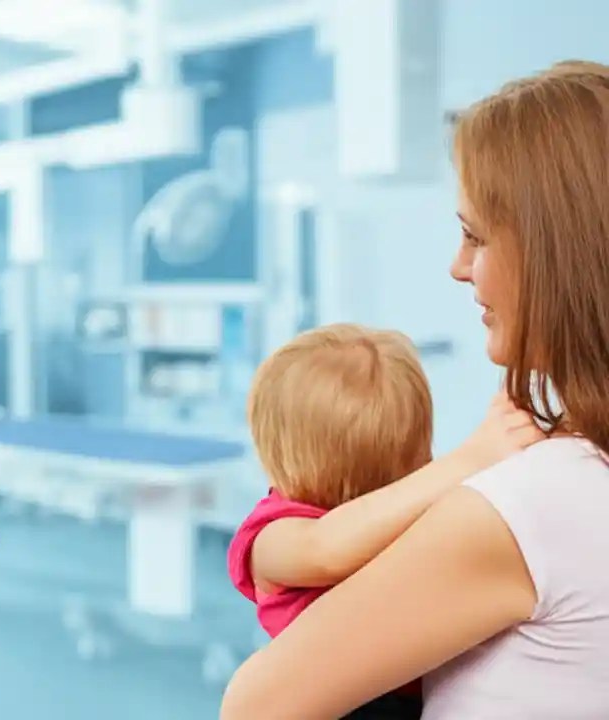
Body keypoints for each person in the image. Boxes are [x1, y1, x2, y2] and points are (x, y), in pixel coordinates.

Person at [220, 59, 609, 719]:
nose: (458, 267)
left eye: (474, 237)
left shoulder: (536, 503)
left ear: (556, 255)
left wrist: (473, 464)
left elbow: (254, 708)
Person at [228, 323, 541, 719]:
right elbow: (325, 549)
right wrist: (469, 459)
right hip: (330, 704)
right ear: (422, 457)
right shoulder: (273, 532)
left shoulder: (419, 518)